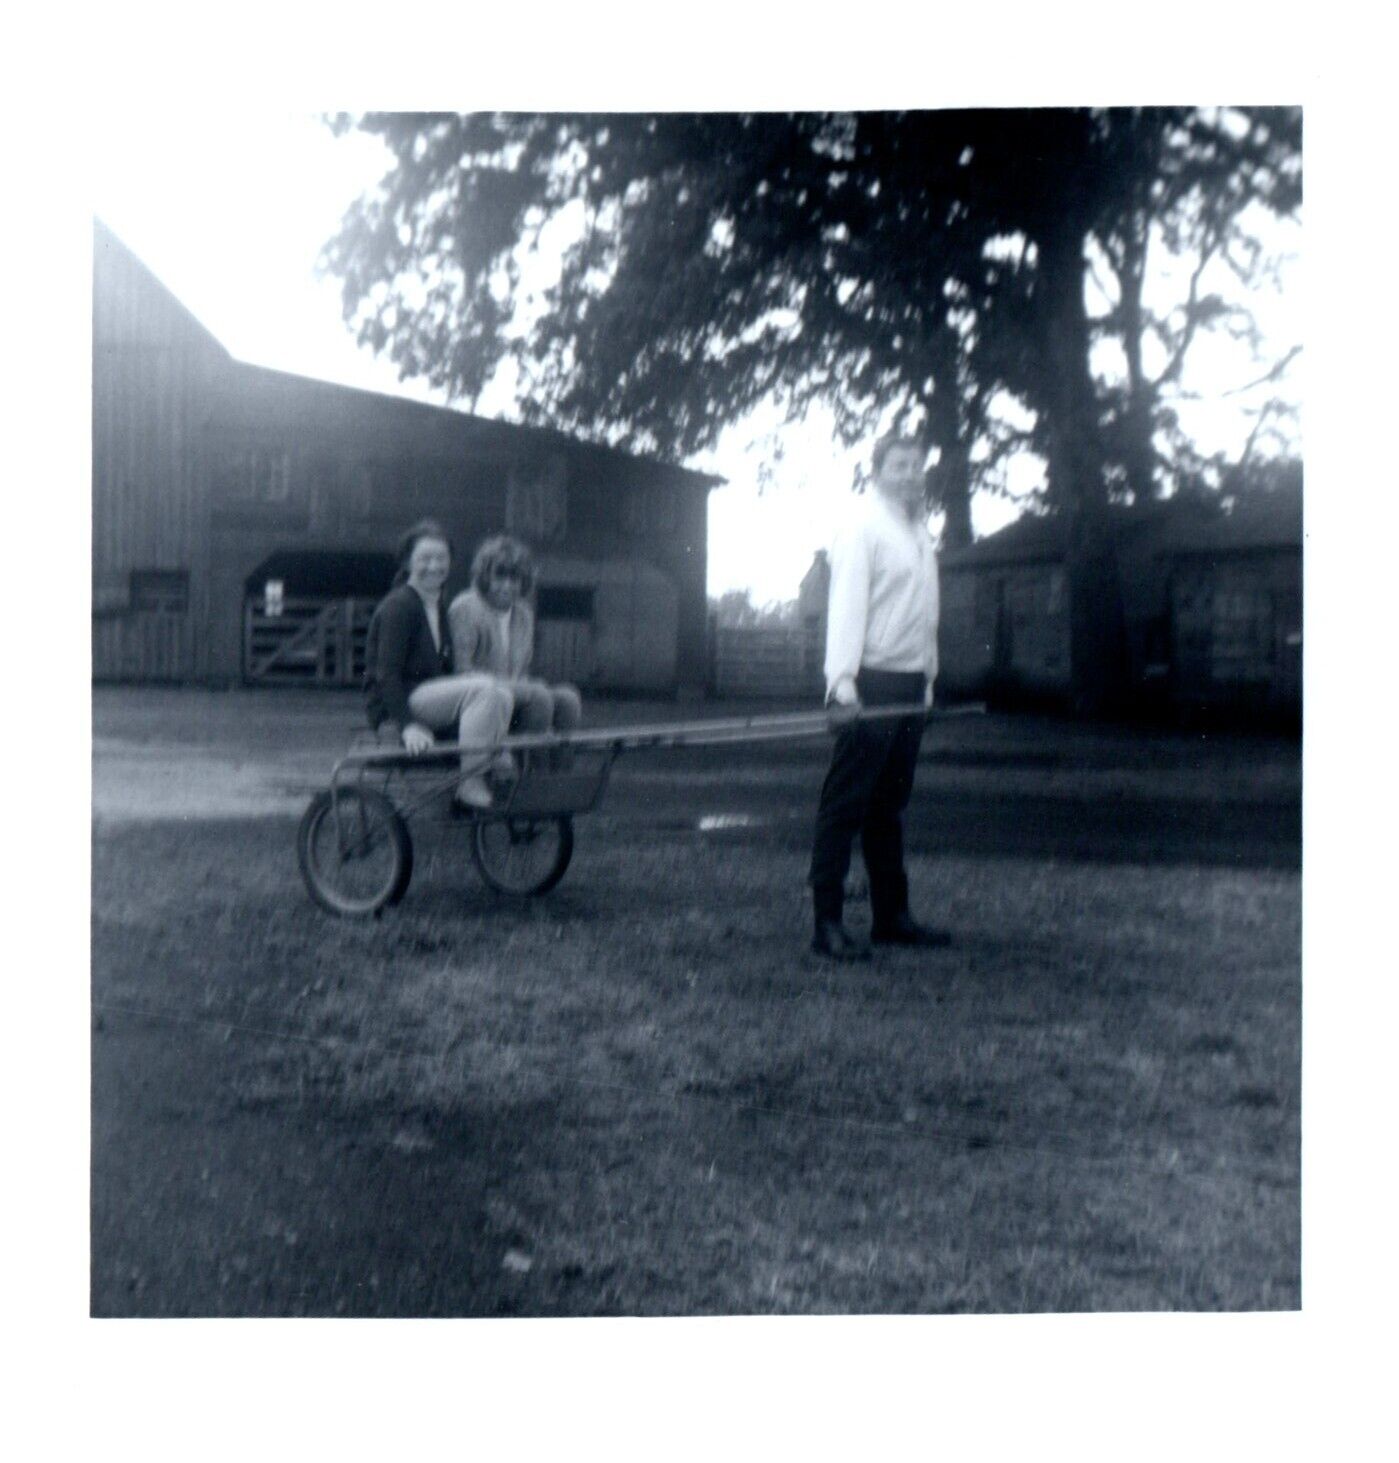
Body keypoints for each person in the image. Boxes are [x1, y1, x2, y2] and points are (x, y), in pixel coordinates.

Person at [807, 432, 952, 960]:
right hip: (870, 680)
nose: (910, 474)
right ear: (878, 470)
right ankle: (827, 924)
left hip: (911, 681)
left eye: (917, 465)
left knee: (888, 806)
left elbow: (926, 614)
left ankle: (892, 917)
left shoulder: (918, 531)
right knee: (844, 805)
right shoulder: (862, 526)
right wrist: (841, 683)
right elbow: (846, 608)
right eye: (899, 465)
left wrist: (929, 679)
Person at [363, 520, 513, 809]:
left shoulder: (437, 606)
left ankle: (495, 760)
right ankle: (469, 784)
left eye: (441, 559)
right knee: (484, 690)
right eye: (425, 559)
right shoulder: (400, 606)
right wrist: (407, 727)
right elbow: (386, 675)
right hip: (398, 703)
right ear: (407, 562)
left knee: (500, 691)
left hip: (427, 696)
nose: (434, 566)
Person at [447, 535, 583, 766]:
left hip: (513, 697)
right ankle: (532, 778)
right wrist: (524, 688)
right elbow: (461, 670)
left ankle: (560, 779)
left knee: (568, 697)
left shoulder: (523, 615)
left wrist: (525, 685)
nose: (507, 586)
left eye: (515, 579)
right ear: (484, 577)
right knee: (539, 697)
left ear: (524, 581)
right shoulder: (466, 608)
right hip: (477, 698)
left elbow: (519, 672)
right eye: (499, 577)